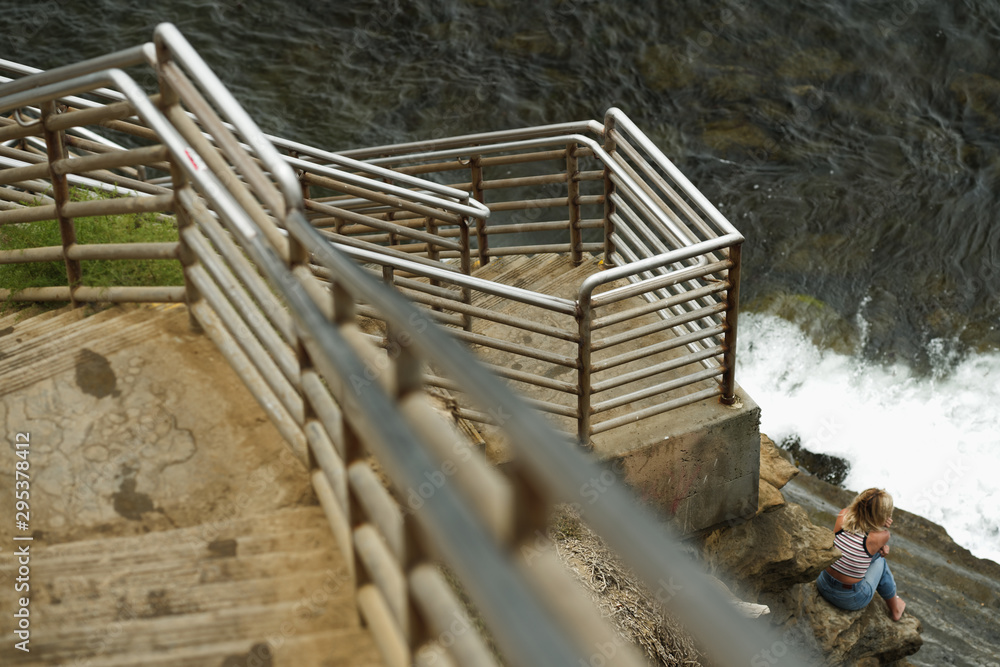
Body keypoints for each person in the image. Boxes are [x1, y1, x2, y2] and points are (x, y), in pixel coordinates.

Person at [815, 487, 906, 621]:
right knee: (881, 561)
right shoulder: (882, 535)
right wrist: (882, 526)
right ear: (881, 515)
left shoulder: (843, 516)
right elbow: (872, 550)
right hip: (850, 599)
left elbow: (850, 548)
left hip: (823, 584)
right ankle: (895, 610)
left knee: (864, 555)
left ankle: (895, 607)